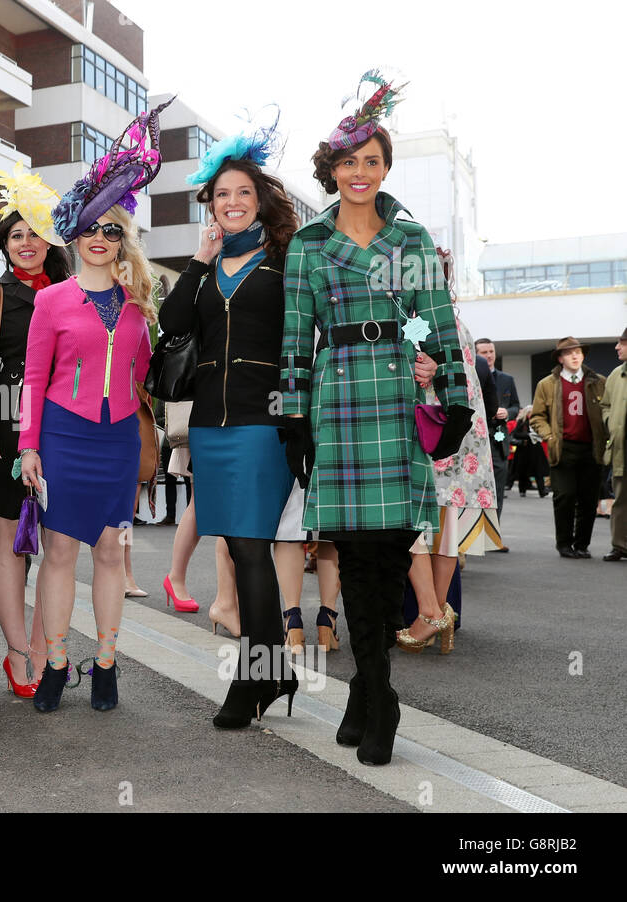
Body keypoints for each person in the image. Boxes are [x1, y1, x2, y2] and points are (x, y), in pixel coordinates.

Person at [279, 72, 471, 766]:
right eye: (347, 161)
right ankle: (380, 696)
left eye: (372, 161)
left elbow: (440, 327)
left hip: (396, 395)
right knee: (353, 553)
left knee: (390, 552)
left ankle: (372, 691)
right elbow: (295, 339)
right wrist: (293, 419)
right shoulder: (306, 245)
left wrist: (451, 397)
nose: (359, 173)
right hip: (339, 400)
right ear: (329, 169)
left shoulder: (413, 240)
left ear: (385, 167)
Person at [19, 100, 170, 713]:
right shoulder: (51, 300)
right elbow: (32, 377)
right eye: (91, 228)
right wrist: (28, 444)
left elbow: (144, 378)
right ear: (75, 233)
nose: (101, 239)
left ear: (123, 237)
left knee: (111, 551)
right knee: (58, 551)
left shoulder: (140, 305)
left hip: (116, 441)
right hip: (61, 435)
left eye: (113, 230)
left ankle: (105, 664)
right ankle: (55, 662)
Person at [160, 118, 301, 727]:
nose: (234, 202)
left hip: (262, 422)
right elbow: (173, 325)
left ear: (260, 201)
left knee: (249, 546)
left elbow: (305, 338)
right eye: (222, 194)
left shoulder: (285, 260)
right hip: (210, 427)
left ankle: (256, 678)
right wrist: (198, 259)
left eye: (243, 192)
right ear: (210, 206)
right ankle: (274, 673)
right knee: (240, 547)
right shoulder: (209, 264)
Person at [0, 164, 72, 698]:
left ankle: (46, 649)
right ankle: (16, 652)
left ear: (50, 238)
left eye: (35, 232)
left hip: (65, 432)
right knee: (10, 538)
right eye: (16, 234)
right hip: (4, 431)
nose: (26, 243)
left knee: (58, 544)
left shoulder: (75, 290)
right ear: (4, 244)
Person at [399, 257, 500, 653]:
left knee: (408, 522)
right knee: (446, 532)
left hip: (427, 433)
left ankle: (429, 614)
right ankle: (439, 612)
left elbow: (411, 369)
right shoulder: (457, 320)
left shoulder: (417, 318)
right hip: (462, 437)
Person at [530, 336, 607, 559]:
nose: (575, 356)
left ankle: (582, 544)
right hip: (562, 447)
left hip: (591, 449)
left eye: (578, 352)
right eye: (569, 353)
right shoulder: (547, 384)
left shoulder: (597, 380)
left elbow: (606, 411)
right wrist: (550, 436)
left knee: (588, 498)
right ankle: (564, 543)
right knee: (564, 496)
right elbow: (537, 417)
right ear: (561, 358)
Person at [474, 337, 518, 542]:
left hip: (499, 440)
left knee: (498, 490)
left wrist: (507, 412)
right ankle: (473, 536)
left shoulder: (507, 379)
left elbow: (516, 407)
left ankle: (493, 537)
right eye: (484, 352)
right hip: (476, 439)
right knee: (476, 489)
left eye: (491, 351)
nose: (489, 356)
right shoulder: (472, 375)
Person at [602, 328, 627, 561]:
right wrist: (611, 421)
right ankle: (620, 545)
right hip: (620, 449)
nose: (617, 347)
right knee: (620, 499)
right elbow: (605, 406)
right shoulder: (615, 375)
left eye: (622, 343)